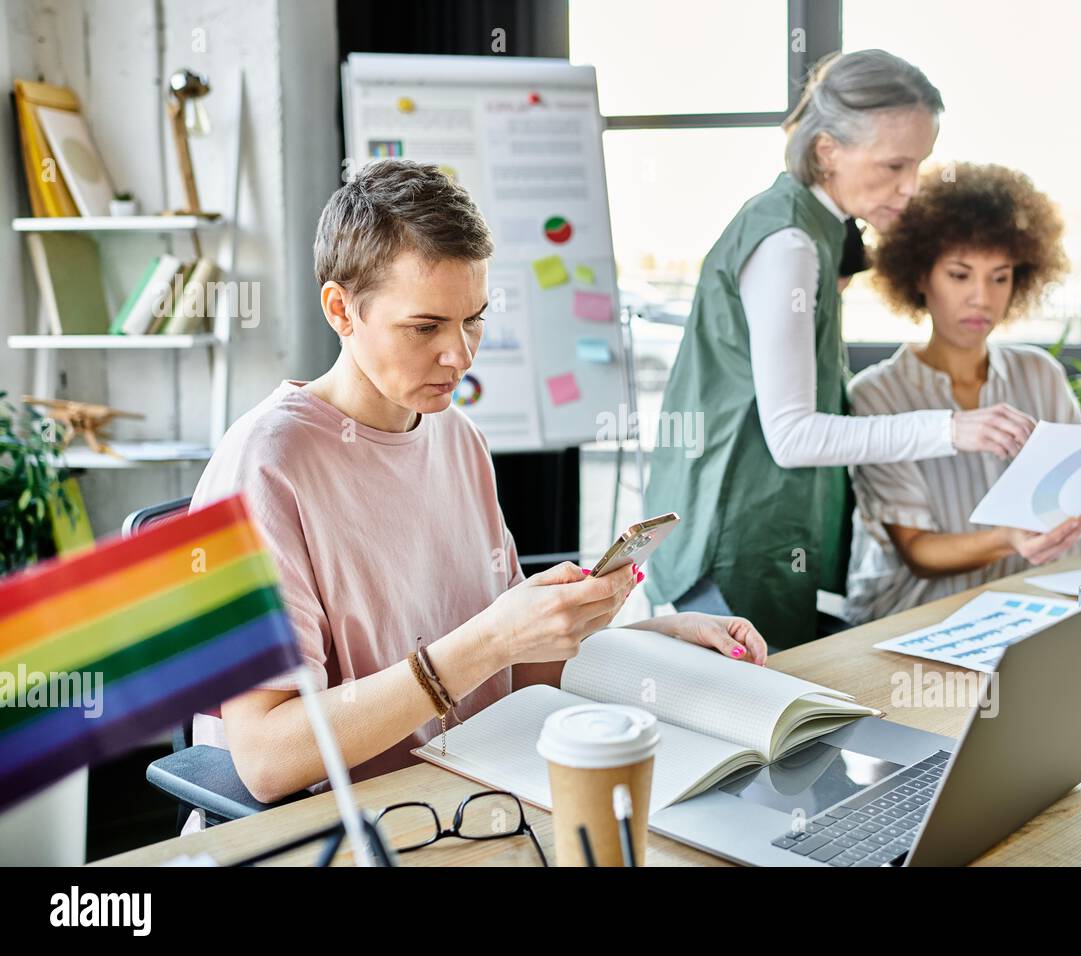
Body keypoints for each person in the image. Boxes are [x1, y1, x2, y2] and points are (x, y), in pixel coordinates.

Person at [183, 160, 766, 831]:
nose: (460, 356)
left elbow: (515, 678)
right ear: (341, 309)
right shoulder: (264, 467)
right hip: (351, 829)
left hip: (470, 797)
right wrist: (488, 643)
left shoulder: (455, 437)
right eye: (425, 327)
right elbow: (267, 759)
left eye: (473, 321)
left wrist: (649, 639)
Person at [643, 50, 1035, 648]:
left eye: (919, 166)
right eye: (894, 166)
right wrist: (954, 430)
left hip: (756, 525)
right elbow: (794, 435)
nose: (910, 190)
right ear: (827, 151)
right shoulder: (790, 243)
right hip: (733, 534)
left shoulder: (818, 226)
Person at [844, 161, 1081, 622]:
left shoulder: (1038, 375)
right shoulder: (878, 394)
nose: (981, 298)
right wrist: (1008, 537)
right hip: (912, 620)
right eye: (959, 274)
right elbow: (918, 552)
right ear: (918, 277)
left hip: (1025, 613)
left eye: (1000, 276)